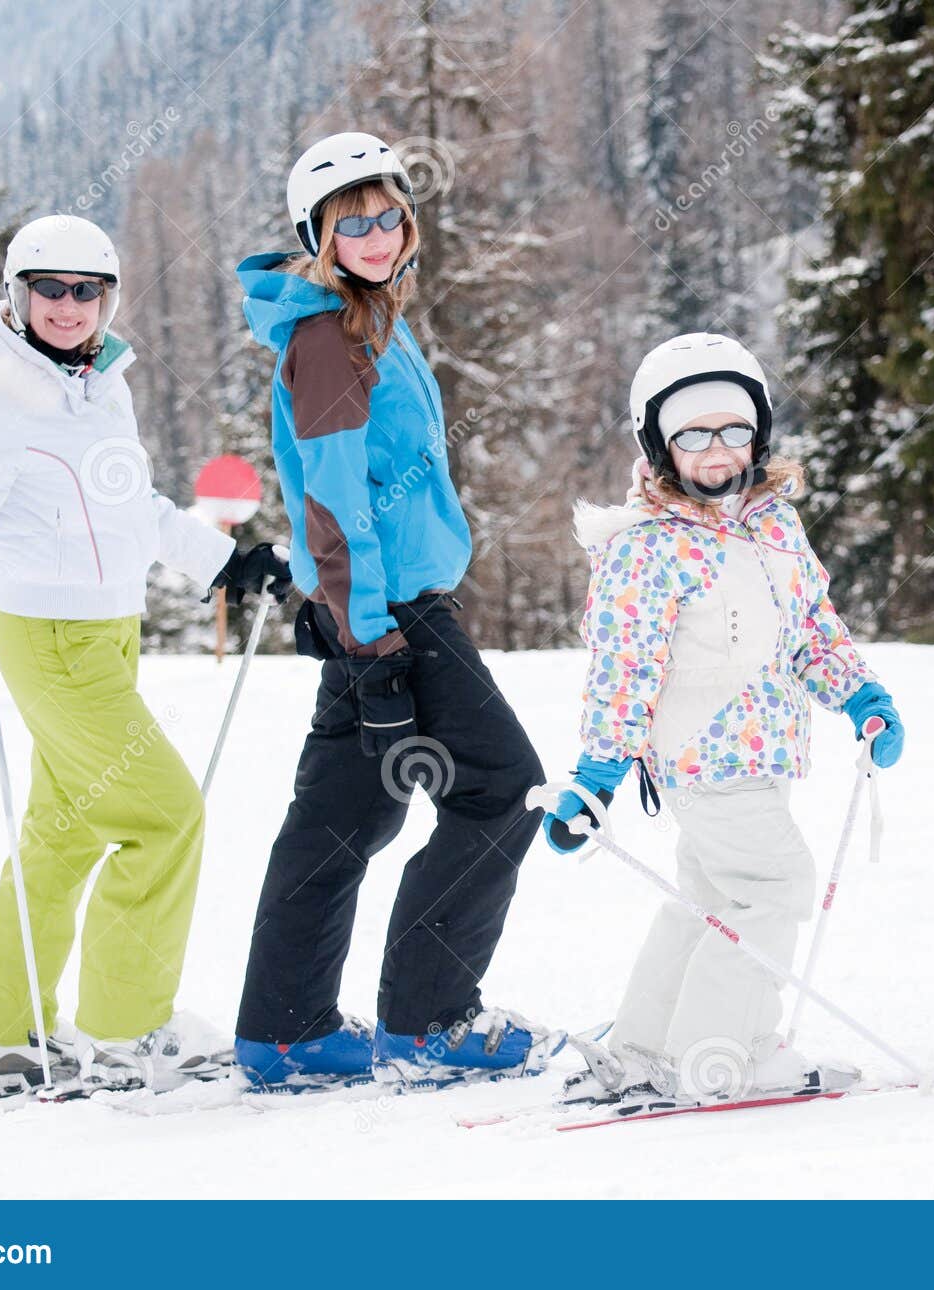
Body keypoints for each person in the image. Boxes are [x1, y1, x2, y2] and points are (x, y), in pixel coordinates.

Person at [0, 214, 291, 1100]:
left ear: (108, 298)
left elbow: (138, 504)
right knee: (165, 816)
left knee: (63, 836)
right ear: (17, 293)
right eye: (51, 289)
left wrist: (224, 561)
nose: (70, 306)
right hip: (51, 640)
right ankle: (128, 1033)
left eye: (88, 291)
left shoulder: (99, 383)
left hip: (107, 635)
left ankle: (1, 1040)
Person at [230, 133, 552, 1092]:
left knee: (340, 817)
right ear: (318, 234)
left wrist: (340, 614)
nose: (375, 233)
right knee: (502, 789)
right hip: (396, 616)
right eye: (351, 219)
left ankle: (284, 1034)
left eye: (388, 214)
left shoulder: (371, 318)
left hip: (377, 608)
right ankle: (429, 1020)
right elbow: (331, 501)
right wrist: (369, 641)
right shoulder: (330, 335)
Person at [542, 332, 906, 1110]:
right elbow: (621, 669)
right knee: (774, 887)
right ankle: (723, 1054)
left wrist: (859, 695)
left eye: (733, 429)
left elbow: (811, 630)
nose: (716, 450)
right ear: (660, 444)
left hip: (762, 755)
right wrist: (598, 774)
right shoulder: (647, 547)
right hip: (704, 758)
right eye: (693, 433)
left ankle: (645, 1048)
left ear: (759, 434)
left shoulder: (774, 526)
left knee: (709, 900)